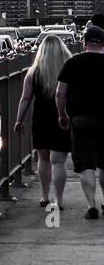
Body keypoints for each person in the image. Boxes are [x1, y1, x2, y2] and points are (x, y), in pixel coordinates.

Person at [15, 35, 72, 209]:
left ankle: (45, 196)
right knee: (58, 161)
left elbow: (25, 98)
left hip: (40, 118)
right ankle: (59, 200)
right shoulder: (68, 70)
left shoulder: (34, 72)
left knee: (43, 159)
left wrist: (19, 120)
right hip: (62, 117)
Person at [56, 23, 104, 218]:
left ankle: (92, 206)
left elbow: (60, 93)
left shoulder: (73, 63)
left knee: (86, 164)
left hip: (81, 119)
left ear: (84, 42)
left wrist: (62, 114)